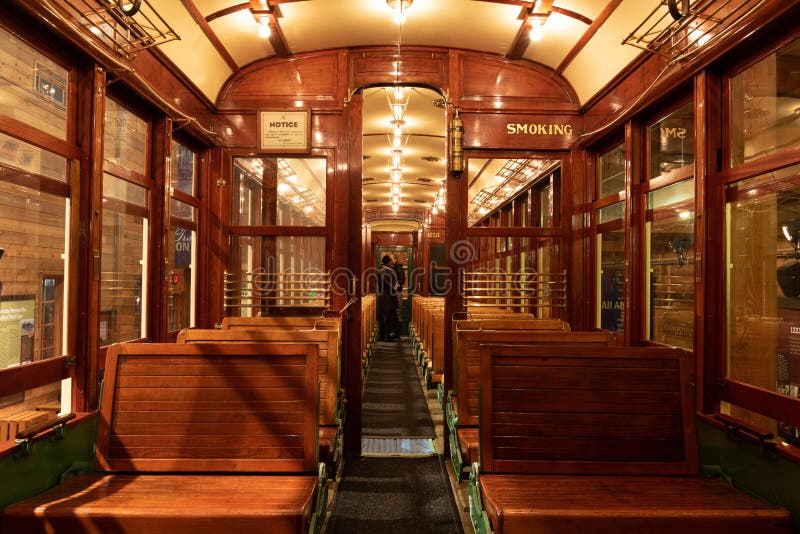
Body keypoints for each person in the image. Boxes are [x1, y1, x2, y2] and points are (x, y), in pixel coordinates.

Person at [376, 254, 398, 341]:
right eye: (391, 261)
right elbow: (393, 285)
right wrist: (396, 287)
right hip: (388, 297)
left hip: (382, 297)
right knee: (387, 318)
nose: (392, 263)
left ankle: (383, 336)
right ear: (388, 262)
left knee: (383, 318)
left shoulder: (380, 270)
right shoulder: (387, 271)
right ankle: (386, 336)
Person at [390, 253, 405, 338]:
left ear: (395, 260)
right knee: (392, 312)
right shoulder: (392, 268)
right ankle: (393, 331)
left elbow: (401, 281)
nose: (391, 261)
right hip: (392, 293)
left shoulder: (398, 268)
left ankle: (397, 333)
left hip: (397, 292)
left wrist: (394, 286)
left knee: (398, 311)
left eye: (392, 259)